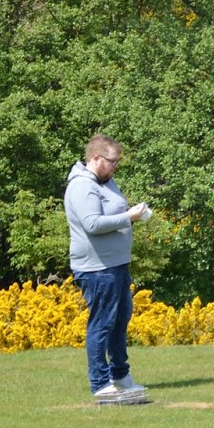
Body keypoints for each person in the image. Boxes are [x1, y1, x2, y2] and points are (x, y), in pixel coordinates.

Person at [65, 133, 150, 404]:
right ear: (96, 158)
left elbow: (112, 216)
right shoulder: (81, 186)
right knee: (101, 324)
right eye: (112, 162)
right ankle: (100, 383)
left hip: (116, 264)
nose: (116, 167)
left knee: (119, 321)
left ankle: (120, 376)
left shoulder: (106, 181)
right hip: (96, 268)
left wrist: (133, 216)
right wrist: (129, 217)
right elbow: (93, 224)